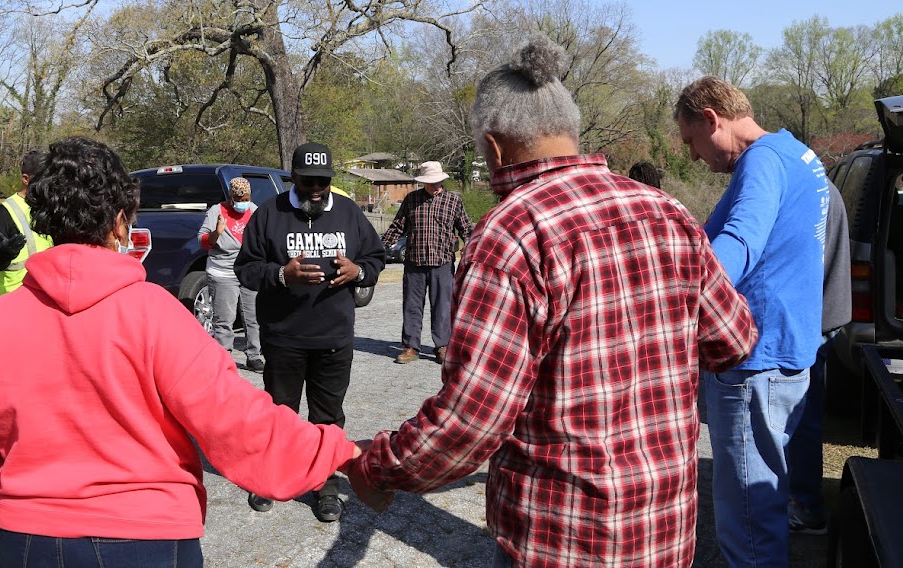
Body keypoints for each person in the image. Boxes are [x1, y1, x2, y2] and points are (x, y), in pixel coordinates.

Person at [347, 37, 758, 567]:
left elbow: (471, 420)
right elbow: (734, 339)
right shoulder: (667, 213)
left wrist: (377, 465)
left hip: (562, 541)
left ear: (494, 148)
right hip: (663, 531)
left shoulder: (511, 235)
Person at [0, 136, 360, 567]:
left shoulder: (0, 318)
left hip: (26, 537)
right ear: (120, 223)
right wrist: (339, 451)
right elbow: (237, 423)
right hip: (144, 534)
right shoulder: (156, 314)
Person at [674, 75, 829, 567]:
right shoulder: (794, 153)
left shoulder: (761, 163)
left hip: (752, 363)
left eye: (691, 141)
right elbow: (708, 236)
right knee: (765, 496)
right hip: (789, 352)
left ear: (712, 120)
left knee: (748, 520)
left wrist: (671, 302)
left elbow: (737, 243)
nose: (694, 157)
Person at [235, 142, 385, 522]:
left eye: (323, 181)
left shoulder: (349, 212)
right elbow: (246, 268)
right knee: (280, 413)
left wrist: (359, 272)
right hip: (283, 337)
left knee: (328, 417)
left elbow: (375, 257)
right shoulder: (269, 214)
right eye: (308, 181)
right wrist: (281, 275)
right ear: (294, 177)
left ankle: (325, 486)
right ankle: (271, 477)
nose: (316, 188)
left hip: (333, 338)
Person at [785, 180, 851, 535]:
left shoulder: (809, 190)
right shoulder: (823, 187)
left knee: (803, 416)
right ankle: (803, 499)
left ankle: (808, 507)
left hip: (815, 318)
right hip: (825, 313)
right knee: (805, 415)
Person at [380, 160, 473, 365]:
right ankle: (411, 346)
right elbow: (397, 227)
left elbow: (466, 228)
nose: (434, 185)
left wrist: (471, 245)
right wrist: (378, 248)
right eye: (429, 182)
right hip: (414, 261)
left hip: (442, 262)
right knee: (412, 306)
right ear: (422, 182)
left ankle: (442, 346)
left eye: (437, 181)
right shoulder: (411, 199)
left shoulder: (453, 201)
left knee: (442, 306)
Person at [198, 177, 264, 371]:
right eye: (239, 199)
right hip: (223, 271)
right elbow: (203, 241)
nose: (243, 203)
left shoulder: (254, 210)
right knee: (224, 319)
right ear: (230, 196)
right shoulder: (216, 211)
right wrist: (217, 233)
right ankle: (223, 359)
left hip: (249, 271)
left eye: (246, 199)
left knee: (253, 317)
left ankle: (254, 355)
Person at [0, 151, 53, 298]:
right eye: (43, 179)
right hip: (10, 297)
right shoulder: (3, 212)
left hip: (43, 294)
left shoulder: (50, 208)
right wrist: (7, 252)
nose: (48, 184)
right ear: (25, 179)